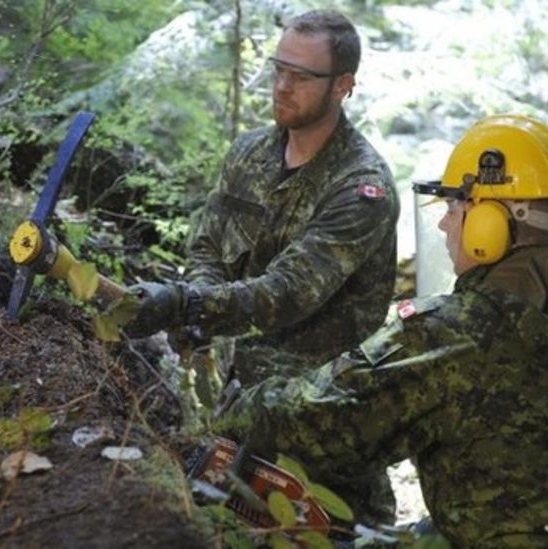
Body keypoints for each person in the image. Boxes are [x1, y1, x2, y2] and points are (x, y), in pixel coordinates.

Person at [216, 114, 548, 547]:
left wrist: (232, 414)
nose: (444, 225)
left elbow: (318, 420)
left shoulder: (453, 332)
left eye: (455, 208)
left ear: (488, 224)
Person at [122, 9, 400, 525]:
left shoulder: (362, 188)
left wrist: (187, 304)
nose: (283, 86)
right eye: (278, 70)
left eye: (301, 76)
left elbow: (286, 293)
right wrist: (199, 311)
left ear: (342, 85)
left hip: (322, 427)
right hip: (241, 413)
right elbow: (209, 247)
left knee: (339, 533)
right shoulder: (250, 154)